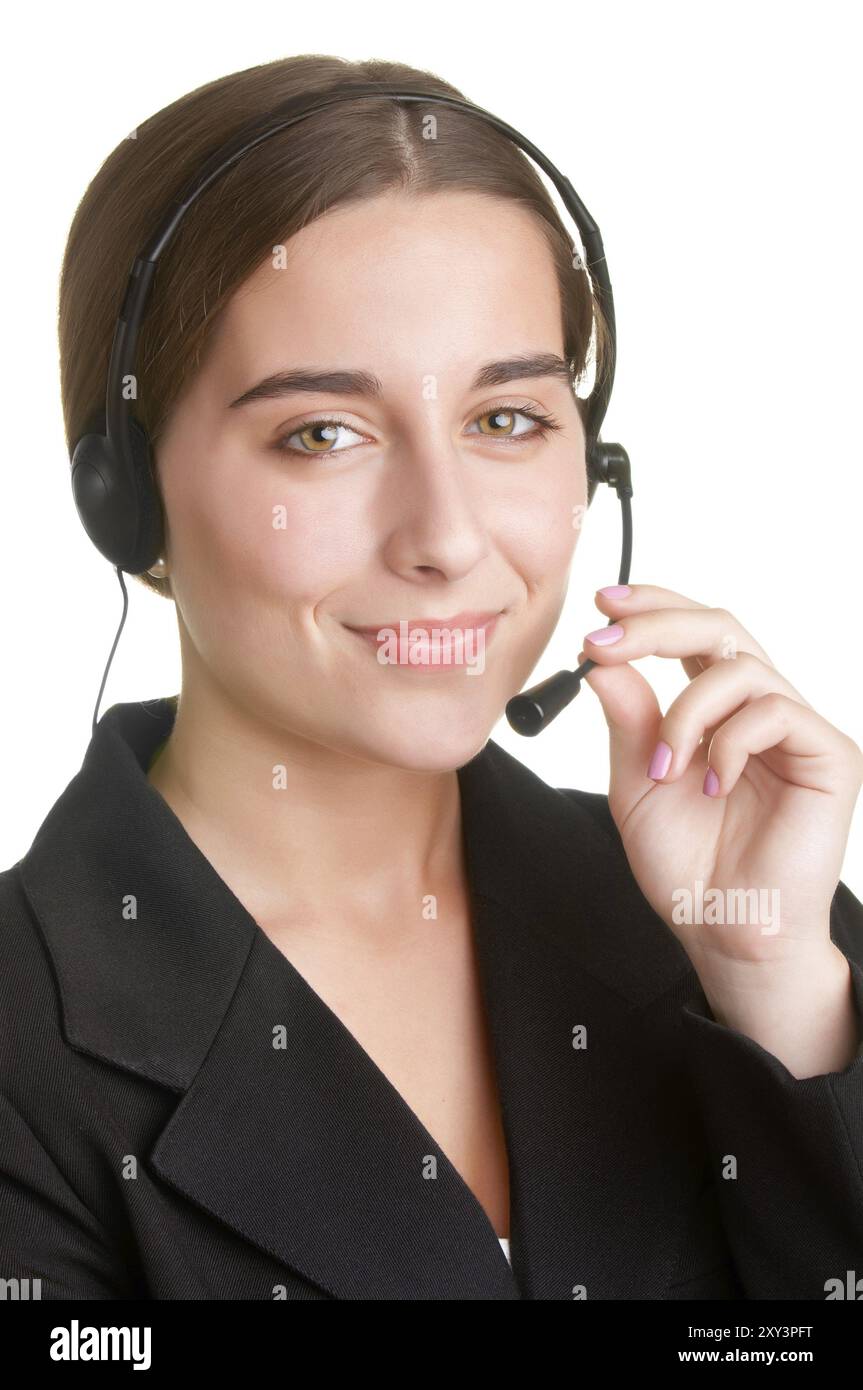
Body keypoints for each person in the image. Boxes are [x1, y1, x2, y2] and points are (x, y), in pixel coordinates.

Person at [1, 54, 862, 1302]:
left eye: (506, 417)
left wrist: (774, 989)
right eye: (322, 433)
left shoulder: (732, 933)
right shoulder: (27, 1045)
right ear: (123, 500)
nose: (447, 538)